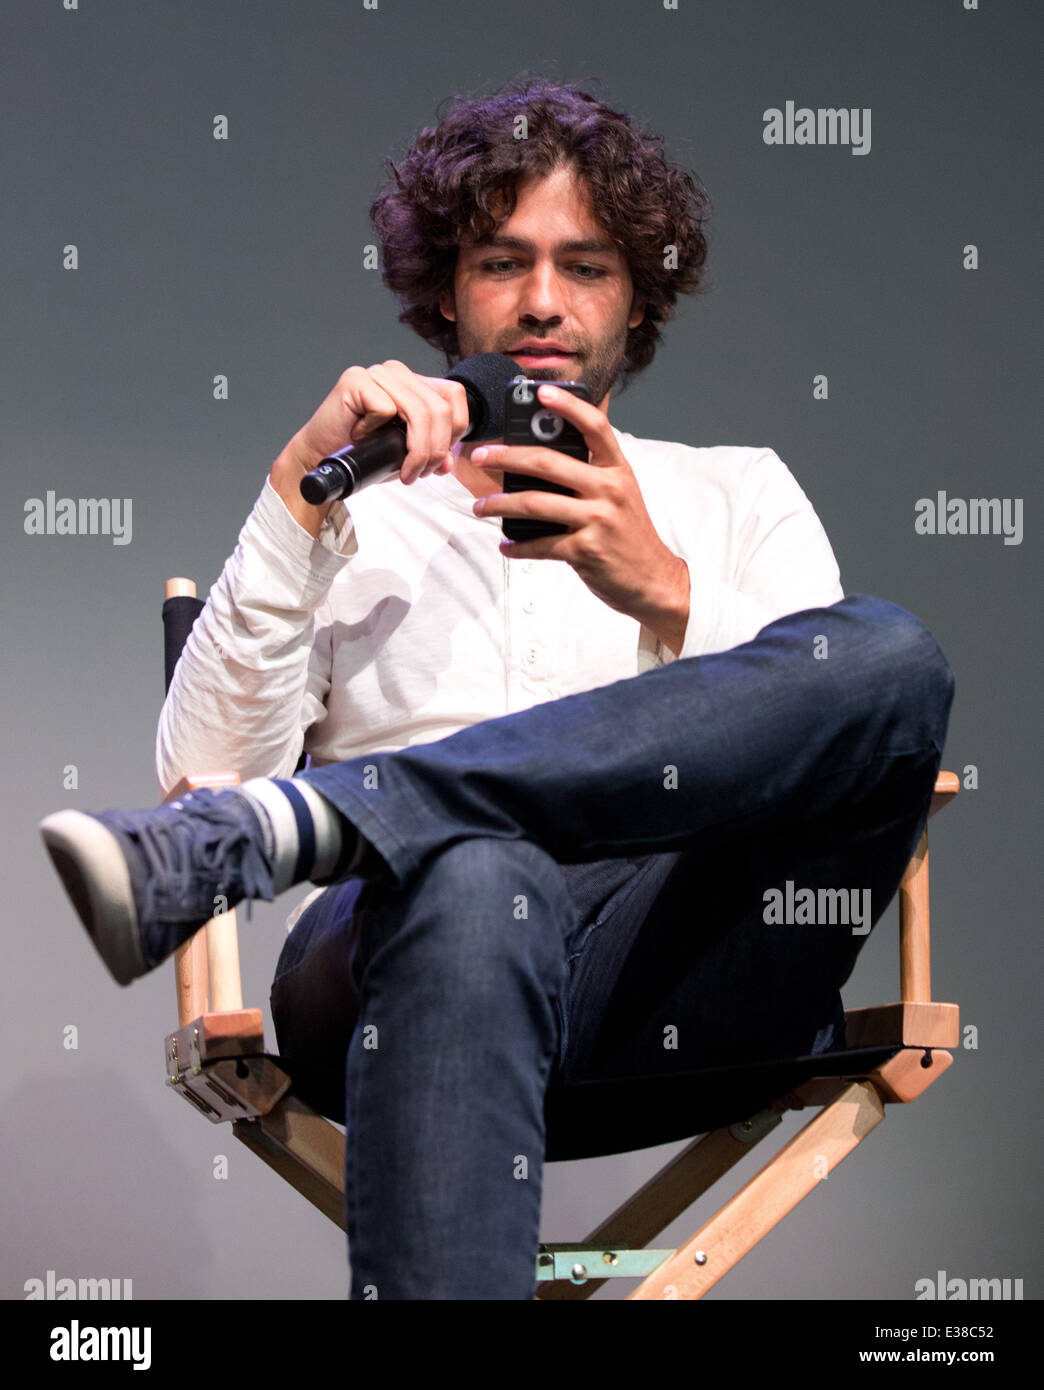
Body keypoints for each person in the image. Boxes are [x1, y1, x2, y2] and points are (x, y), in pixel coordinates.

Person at [39, 77, 955, 1300]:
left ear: (639, 297)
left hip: (689, 985)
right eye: (501, 260)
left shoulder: (742, 494)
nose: (541, 302)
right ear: (446, 289)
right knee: (473, 871)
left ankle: (331, 820)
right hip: (407, 978)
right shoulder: (355, 508)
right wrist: (292, 494)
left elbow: (837, 749)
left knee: (891, 656)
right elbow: (203, 775)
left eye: (586, 266)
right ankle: (359, 829)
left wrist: (668, 591)